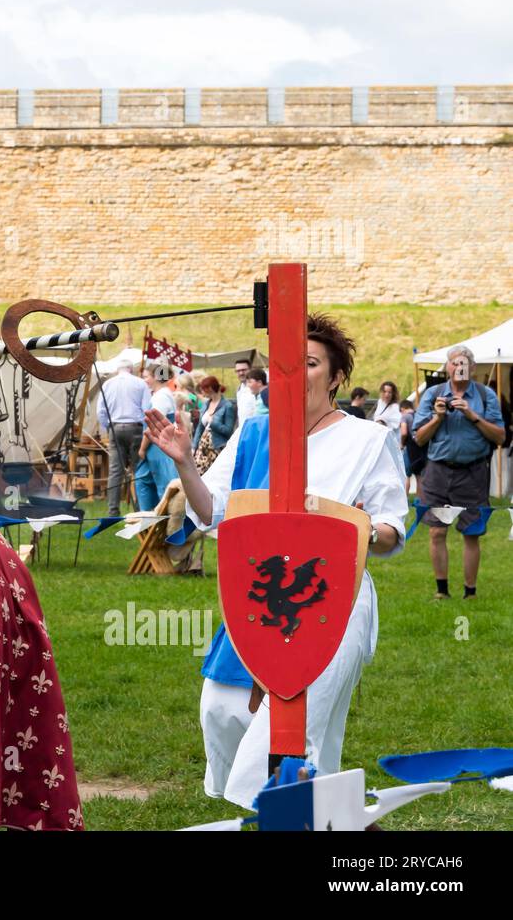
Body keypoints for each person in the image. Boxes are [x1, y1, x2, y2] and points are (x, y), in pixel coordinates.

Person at [147, 312, 407, 808]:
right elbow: (212, 512)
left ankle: (275, 810)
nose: (297, 372)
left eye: (311, 363)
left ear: (334, 379)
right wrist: (183, 461)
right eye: (290, 362)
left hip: (335, 598)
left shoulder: (366, 440)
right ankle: (320, 812)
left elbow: (392, 530)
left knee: (289, 731)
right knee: (222, 712)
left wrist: (355, 526)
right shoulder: (254, 432)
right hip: (260, 593)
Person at [411, 345, 504, 600]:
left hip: (473, 472)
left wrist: (471, 414)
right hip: (439, 471)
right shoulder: (433, 394)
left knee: (472, 532)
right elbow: (419, 438)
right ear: (448, 367)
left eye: (464, 364)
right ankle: (442, 591)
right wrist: (438, 418)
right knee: (437, 531)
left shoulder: (485, 396)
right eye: (454, 363)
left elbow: (500, 436)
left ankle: (470, 592)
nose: (459, 368)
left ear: (472, 368)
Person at [96, 357, 153, 517]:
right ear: (131, 369)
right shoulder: (140, 383)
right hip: (134, 427)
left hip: (115, 427)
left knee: (115, 471)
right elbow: (146, 409)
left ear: (117, 370)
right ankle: (139, 508)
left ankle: (113, 510)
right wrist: (144, 431)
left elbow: (100, 410)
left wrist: (108, 426)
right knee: (137, 470)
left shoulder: (108, 384)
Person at [133, 363, 177, 511]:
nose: (144, 380)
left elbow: (154, 425)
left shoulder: (161, 396)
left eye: (146, 376)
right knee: (142, 478)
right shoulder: (162, 394)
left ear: (157, 377)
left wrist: (142, 448)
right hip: (158, 446)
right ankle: (148, 516)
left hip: (158, 447)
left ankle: (161, 519)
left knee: (164, 486)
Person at [191, 375, 237, 474]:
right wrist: (194, 446)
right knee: (199, 475)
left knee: (215, 476)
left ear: (210, 389)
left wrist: (213, 423)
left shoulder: (227, 406)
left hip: (217, 448)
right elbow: (200, 427)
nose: (202, 393)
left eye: (203, 389)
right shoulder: (206, 405)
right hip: (202, 449)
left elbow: (228, 431)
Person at [397, 399, 426, 494]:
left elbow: (404, 433)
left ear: (402, 409)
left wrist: (401, 444)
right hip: (422, 448)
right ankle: (420, 501)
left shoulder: (405, 417)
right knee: (419, 476)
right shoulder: (419, 415)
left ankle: (404, 500)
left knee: (406, 475)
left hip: (410, 449)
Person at [234, 358, 257, 427]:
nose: (241, 373)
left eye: (244, 370)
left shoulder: (257, 388)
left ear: (250, 369)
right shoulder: (239, 390)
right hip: (243, 430)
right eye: (238, 371)